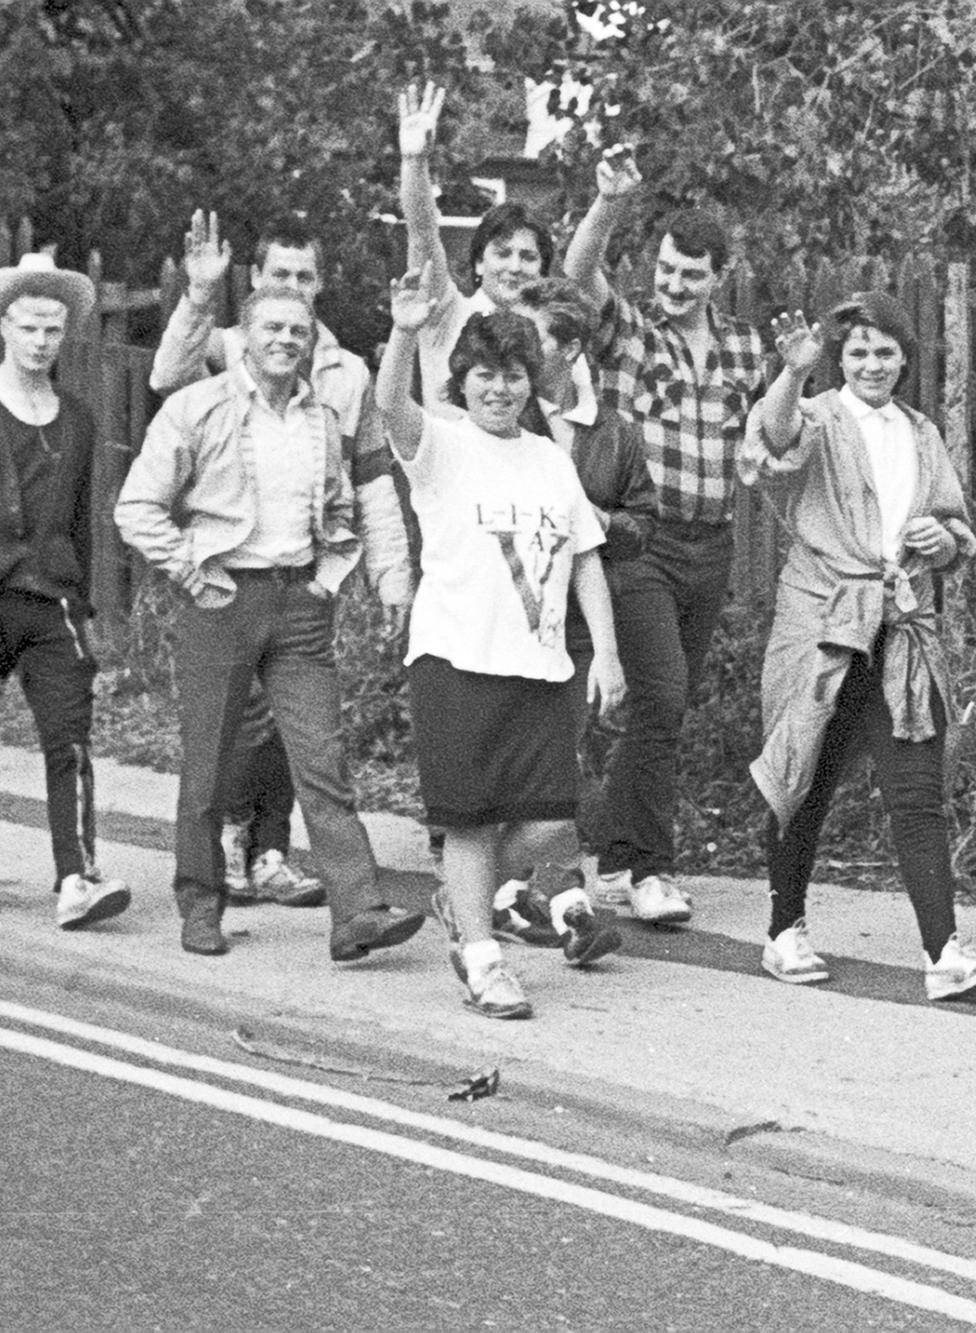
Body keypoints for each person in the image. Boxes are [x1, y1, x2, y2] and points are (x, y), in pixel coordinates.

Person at [116, 286, 427, 962]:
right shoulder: (197, 406)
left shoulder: (323, 417)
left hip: (299, 607)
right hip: (222, 602)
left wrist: (329, 578)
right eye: (272, 329)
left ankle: (358, 911)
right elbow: (136, 508)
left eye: (298, 330)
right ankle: (200, 906)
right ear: (245, 337)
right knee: (210, 766)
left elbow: (345, 503)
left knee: (322, 759)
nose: (286, 340)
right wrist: (195, 572)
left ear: (312, 341)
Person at [375, 267, 626, 1019]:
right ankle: (482, 961)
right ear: (464, 380)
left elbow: (585, 556)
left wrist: (606, 653)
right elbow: (389, 402)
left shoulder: (550, 459)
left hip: (542, 666)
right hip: (456, 660)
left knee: (555, 815)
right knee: (472, 819)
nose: (499, 388)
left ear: (531, 381)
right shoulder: (442, 448)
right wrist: (404, 328)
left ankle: (465, 897)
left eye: (513, 374)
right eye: (484, 374)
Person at [740, 291, 976, 1001]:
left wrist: (941, 539)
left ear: (904, 358)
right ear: (839, 358)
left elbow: (954, 530)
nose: (871, 364)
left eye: (885, 350)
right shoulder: (819, 414)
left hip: (902, 628)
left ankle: (944, 952)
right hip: (826, 623)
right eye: (857, 351)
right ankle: (784, 928)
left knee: (917, 790)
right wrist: (794, 372)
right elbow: (773, 440)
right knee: (806, 777)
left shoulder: (919, 432)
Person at [564, 146, 772, 929]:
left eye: (690, 274)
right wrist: (607, 203)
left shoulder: (745, 347)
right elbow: (580, 277)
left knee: (661, 710)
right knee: (663, 694)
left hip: (710, 545)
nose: (672, 284)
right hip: (638, 542)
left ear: (719, 276)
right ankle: (651, 867)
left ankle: (613, 857)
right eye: (665, 268)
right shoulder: (629, 332)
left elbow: (770, 430)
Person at [480, 276, 657, 966]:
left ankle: (561, 899)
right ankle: (514, 893)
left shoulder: (612, 432)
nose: (517, 352)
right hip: (503, 617)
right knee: (513, 765)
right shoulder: (496, 418)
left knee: (565, 760)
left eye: (535, 338)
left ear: (571, 347)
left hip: (577, 622)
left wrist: (595, 518)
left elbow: (642, 525)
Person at [0, 253, 129, 932]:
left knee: (68, 738)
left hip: (52, 599)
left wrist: (86, 605)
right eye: (28, 327)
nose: (41, 341)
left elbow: (85, 521)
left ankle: (76, 875)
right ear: (4, 326)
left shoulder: (76, 417)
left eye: (52, 330)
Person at [396, 83, 566, 409]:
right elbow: (422, 232)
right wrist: (414, 162)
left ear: (542, 269)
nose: (515, 266)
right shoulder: (447, 313)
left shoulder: (550, 336)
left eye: (528, 256)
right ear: (478, 263)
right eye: (502, 253)